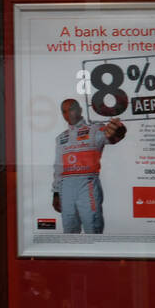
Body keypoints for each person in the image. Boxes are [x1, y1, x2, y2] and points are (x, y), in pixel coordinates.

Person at [52, 98, 127, 235]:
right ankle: (72, 256)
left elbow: (113, 136)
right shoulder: (61, 138)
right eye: (64, 111)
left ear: (80, 110)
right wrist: (56, 193)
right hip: (66, 186)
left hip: (87, 184)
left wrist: (118, 130)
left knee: (92, 226)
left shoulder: (94, 129)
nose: (68, 113)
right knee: (69, 228)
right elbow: (58, 167)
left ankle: (95, 255)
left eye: (72, 109)